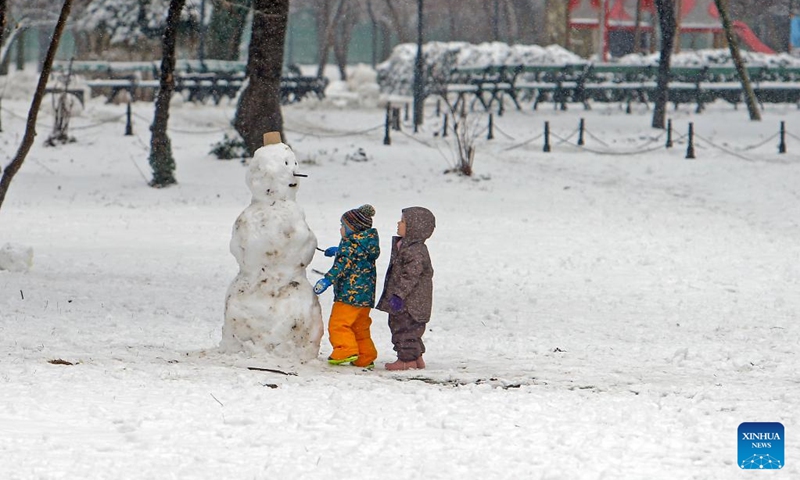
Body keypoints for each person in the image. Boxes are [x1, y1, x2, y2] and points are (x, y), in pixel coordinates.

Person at [314, 204, 380, 368]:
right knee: (360, 327)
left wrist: (327, 280)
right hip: (365, 297)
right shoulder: (366, 244)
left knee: (339, 324)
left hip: (349, 295)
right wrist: (338, 250)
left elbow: (342, 266)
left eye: (343, 226)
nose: (341, 229)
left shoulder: (349, 246)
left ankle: (345, 350)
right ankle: (365, 356)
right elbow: (356, 256)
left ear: (353, 228)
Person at [377, 207, 436, 371]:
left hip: (410, 303)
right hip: (412, 301)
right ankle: (416, 358)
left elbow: (410, 276)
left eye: (403, 221)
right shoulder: (407, 246)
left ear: (414, 228)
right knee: (411, 331)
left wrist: (398, 295)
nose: (398, 223)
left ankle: (406, 360)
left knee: (403, 330)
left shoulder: (414, 251)